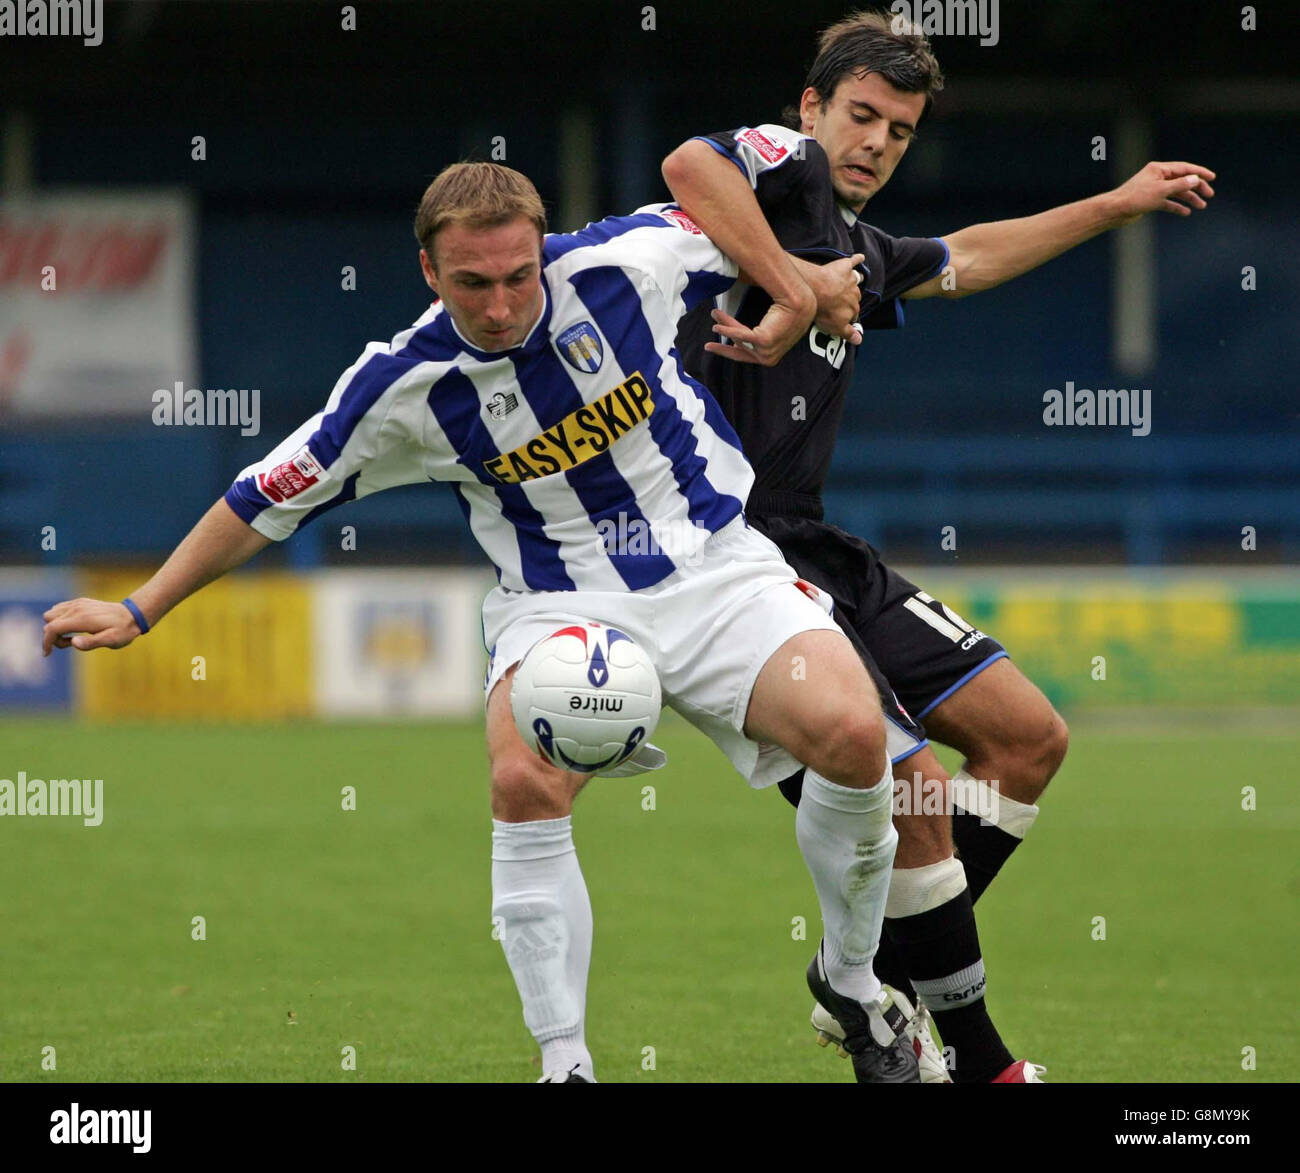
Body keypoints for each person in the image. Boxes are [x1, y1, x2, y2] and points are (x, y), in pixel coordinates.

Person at [42, 161, 923, 1083]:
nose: (501, 306)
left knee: (855, 735)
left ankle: (851, 983)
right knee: (521, 779)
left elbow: (733, 215)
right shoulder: (403, 385)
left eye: (518, 276)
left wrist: (805, 282)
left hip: (714, 567)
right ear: (429, 270)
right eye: (472, 283)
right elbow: (263, 497)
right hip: (558, 602)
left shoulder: (628, 262)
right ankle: (565, 1062)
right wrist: (140, 606)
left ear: (543, 247)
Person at [662, 10, 1214, 1083]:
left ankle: (864, 972)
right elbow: (690, 164)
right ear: (811, 107)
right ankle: (980, 1062)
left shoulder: (861, 249)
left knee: (1026, 738)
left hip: (816, 543)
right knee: (912, 793)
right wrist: (793, 283)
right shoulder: (775, 185)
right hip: (731, 563)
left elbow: (970, 257)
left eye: (901, 130)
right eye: (860, 115)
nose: (876, 142)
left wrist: (1116, 201)